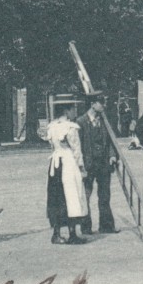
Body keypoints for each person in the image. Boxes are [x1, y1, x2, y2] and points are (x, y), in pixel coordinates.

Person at [46, 102, 89, 244]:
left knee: (57, 197)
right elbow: (76, 150)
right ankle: (72, 234)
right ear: (66, 111)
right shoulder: (71, 128)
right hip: (68, 163)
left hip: (55, 164)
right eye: (72, 109)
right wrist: (82, 168)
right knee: (72, 196)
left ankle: (56, 233)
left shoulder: (52, 126)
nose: (74, 113)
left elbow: (52, 145)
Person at [78, 94, 119, 235]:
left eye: (104, 102)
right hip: (88, 165)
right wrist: (80, 165)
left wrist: (113, 156)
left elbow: (111, 142)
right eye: (101, 102)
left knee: (105, 196)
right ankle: (86, 227)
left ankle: (106, 226)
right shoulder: (81, 122)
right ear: (92, 104)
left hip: (103, 164)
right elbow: (78, 146)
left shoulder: (105, 121)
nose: (104, 105)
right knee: (86, 196)